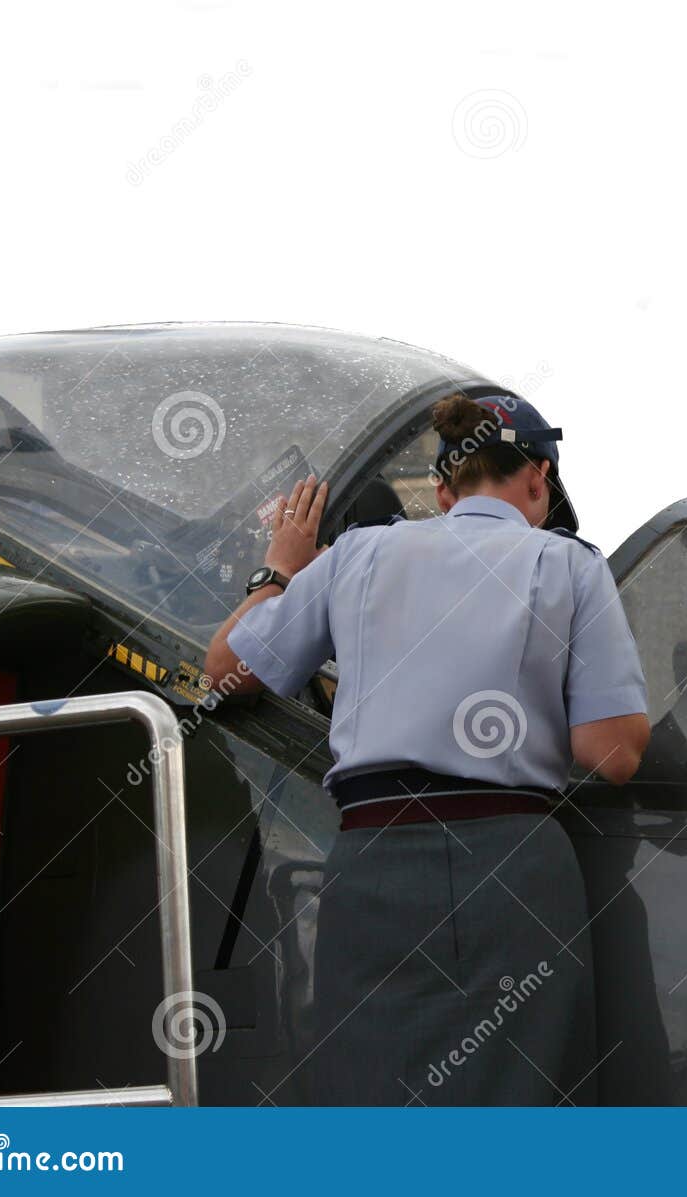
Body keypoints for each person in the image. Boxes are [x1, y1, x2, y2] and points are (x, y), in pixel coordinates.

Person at [203, 393, 649, 1105]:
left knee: (371, 1099)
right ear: (538, 478)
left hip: (374, 864)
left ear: (442, 489)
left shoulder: (358, 553)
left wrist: (279, 570)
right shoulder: (569, 567)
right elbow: (612, 752)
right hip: (514, 871)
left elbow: (226, 671)